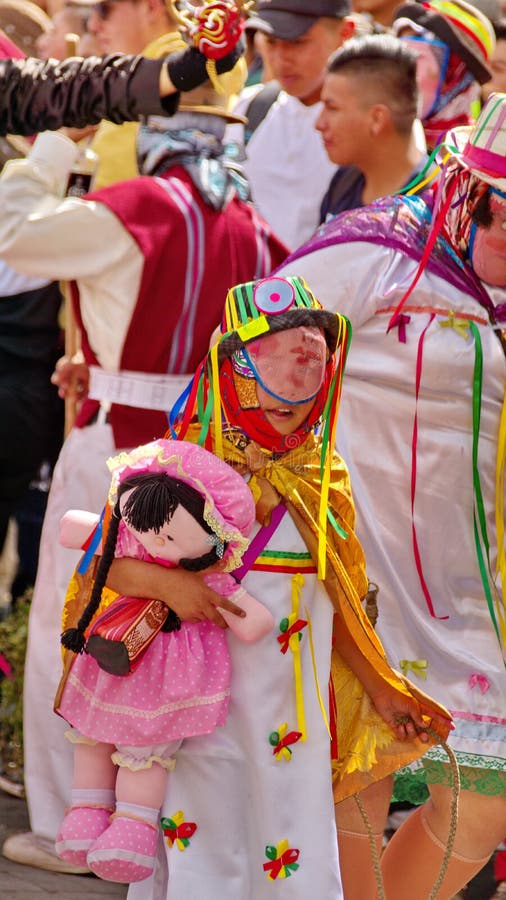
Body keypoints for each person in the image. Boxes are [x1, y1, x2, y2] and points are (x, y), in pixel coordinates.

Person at [0, 24, 287, 877]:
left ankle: (70, 825)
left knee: (78, 621)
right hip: (207, 462)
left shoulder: (132, 210)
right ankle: (156, 830)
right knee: (173, 643)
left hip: (115, 446)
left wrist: (56, 141)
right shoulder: (256, 225)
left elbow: (14, 233)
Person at [92, 273, 451, 899]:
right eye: (269, 380)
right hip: (200, 713)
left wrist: (381, 690)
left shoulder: (324, 474)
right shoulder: (175, 467)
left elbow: (340, 599)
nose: (290, 402)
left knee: (290, 849)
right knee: (203, 844)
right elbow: (100, 568)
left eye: (306, 379)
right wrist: (169, 586)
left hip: (293, 731)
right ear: (230, 372)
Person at [276, 91, 506, 900]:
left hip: (475, 597)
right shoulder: (372, 252)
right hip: (356, 577)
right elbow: (251, 350)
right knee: (357, 784)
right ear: (468, 190)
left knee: (484, 801)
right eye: (504, 209)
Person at [54, 438, 273, 883]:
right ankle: (85, 813)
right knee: (93, 736)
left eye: (170, 534)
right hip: (111, 659)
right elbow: (74, 529)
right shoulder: (132, 548)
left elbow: (254, 621)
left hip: (163, 679)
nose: (155, 540)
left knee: (145, 751)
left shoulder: (208, 577)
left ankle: (132, 828)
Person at [225, 0, 356, 249]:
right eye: (271, 42)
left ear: (344, 33)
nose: (281, 59)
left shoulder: (369, 127)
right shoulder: (247, 108)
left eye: (297, 42)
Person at [317, 33, 430, 221]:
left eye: (332, 108)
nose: (319, 124)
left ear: (377, 119)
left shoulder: (434, 206)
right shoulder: (344, 182)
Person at [393, 0, 496, 150]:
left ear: (455, 76)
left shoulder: (481, 160)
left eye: (416, 57)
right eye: (397, 57)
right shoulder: (374, 138)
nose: (398, 74)